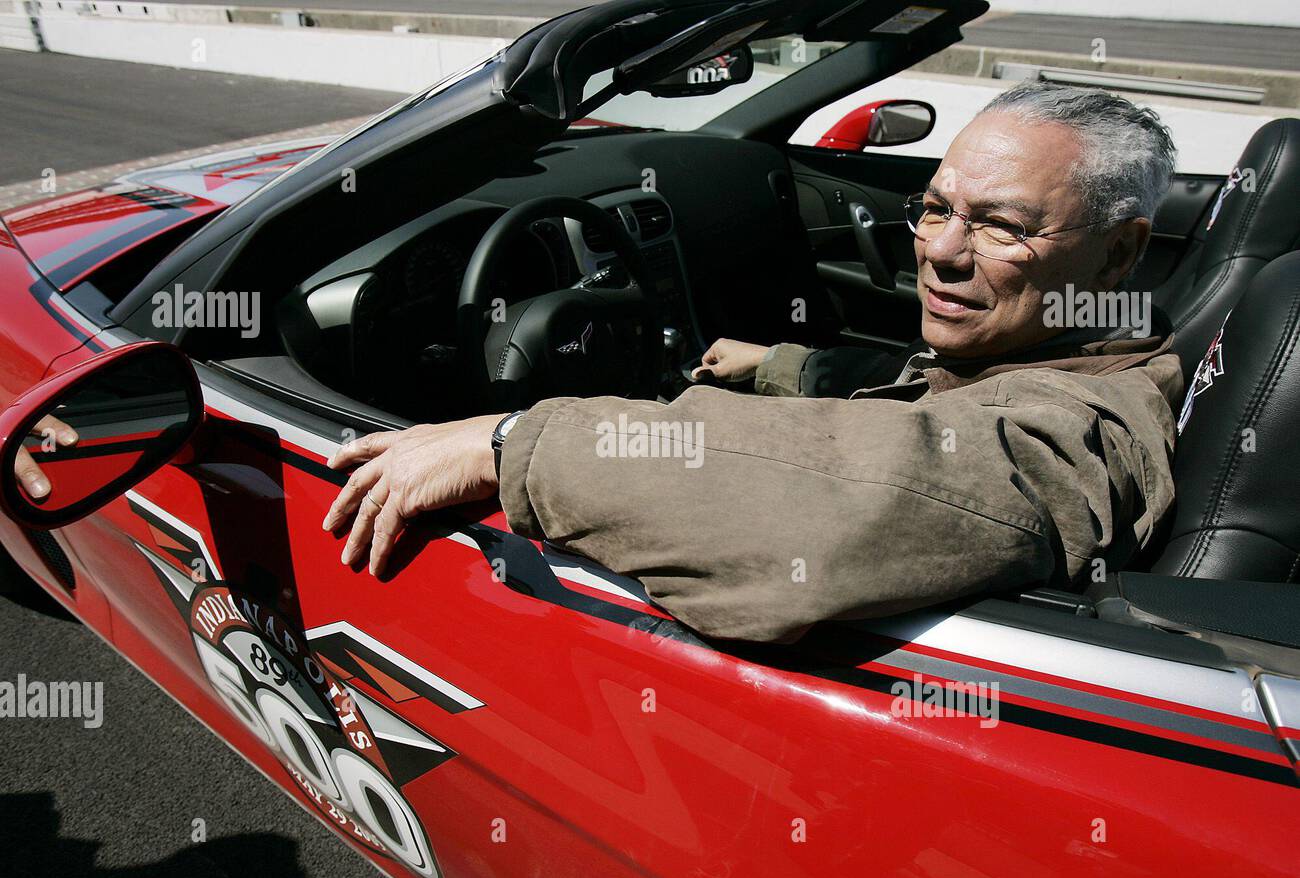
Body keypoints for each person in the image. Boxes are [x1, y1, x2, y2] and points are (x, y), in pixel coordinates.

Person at [321, 82, 1183, 643]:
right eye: (934, 208)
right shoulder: (1064, 344)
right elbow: (927, 404)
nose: (942, 253)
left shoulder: (1085, 432)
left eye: (1001, 227)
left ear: (1117, 256)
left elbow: (854, 503)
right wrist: (783, 365)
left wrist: (509, 445)